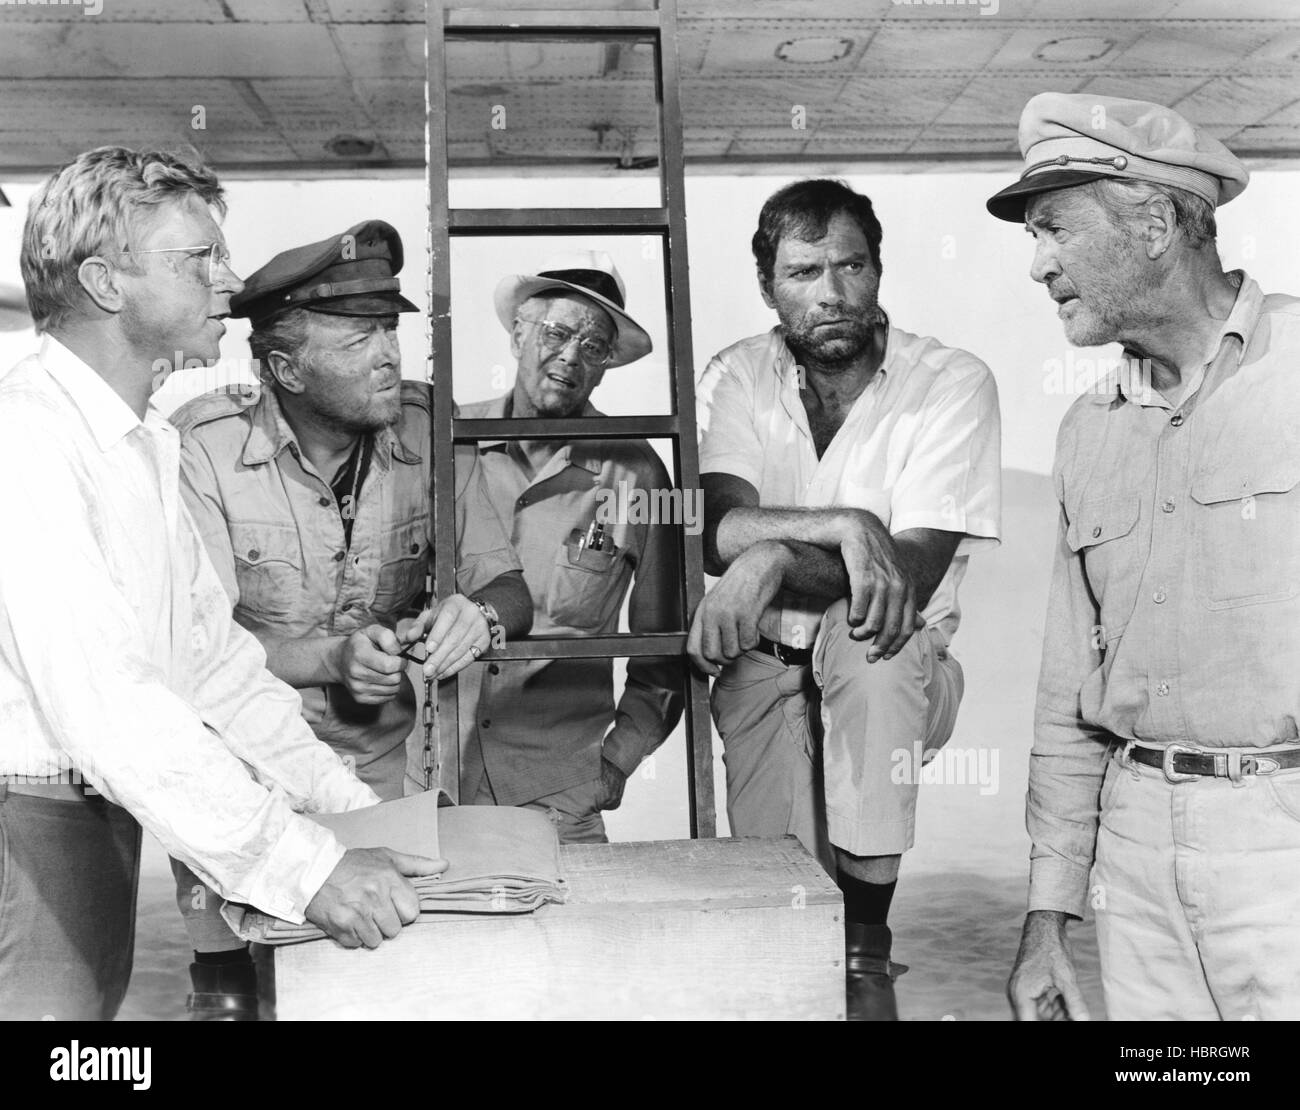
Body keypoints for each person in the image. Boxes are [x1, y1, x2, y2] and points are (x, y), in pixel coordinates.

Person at [0, 147, 444, 1022]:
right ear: (105, 281)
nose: (227, 279)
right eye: (198, 257)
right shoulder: (30, 438)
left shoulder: (143, 443)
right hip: (30, 819)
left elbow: (215, 668)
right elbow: (109, 705)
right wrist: (305, 869)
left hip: (90, 816)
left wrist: (347, 811)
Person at [167, 221, 532, 1018]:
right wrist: (331, 658)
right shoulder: (203, 451)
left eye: (389, 330)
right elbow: (198, 656)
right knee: (233, 989)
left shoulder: (427, 429)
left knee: (368, 981)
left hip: (373, 773)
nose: (389, 355)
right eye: (358, 336)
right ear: (283, 368)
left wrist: (481, 617)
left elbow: (510, 587)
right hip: (241, 773)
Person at [992, 93, 1300, 1022]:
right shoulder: (1089, 433)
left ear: (1158, 223)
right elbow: (1063, 698)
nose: (1039, 265)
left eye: (1055, 230)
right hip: (1134, 854)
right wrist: (1048, 917)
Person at [691, 179, 1001, 1020]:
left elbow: (901, 584)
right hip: (765, 669)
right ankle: (823, 961)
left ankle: (871, 950)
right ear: (769, 287)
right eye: (803, 272)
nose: (831, 292)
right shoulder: (737, 375)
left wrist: (764, 559)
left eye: (849, 265)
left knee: (866, 638)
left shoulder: (952, 382)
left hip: (896, 666)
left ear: (877, 269)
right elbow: (715, 520)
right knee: (777, 926)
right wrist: (842, 523)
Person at [454, 251, 683, 843]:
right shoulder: (448, 442)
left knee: (580, 938)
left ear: (607, 364)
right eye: (557, 332)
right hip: (433, 781)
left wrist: (619, 759)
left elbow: (667, 644)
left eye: (594, 346)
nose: (571, 356)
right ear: (518, 335)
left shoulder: (639, 473)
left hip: (560, 792)